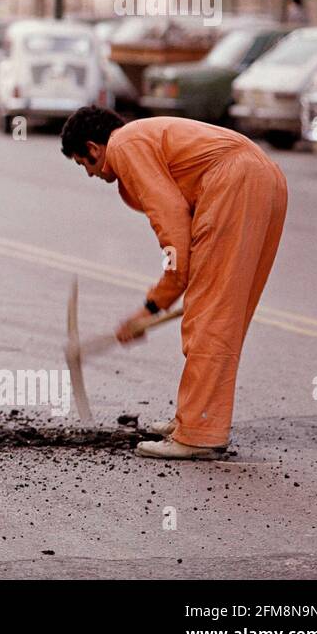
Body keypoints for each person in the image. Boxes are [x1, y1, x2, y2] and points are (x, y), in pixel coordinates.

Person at [60, 107, 287, 460]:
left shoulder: (124, 146)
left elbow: (173, 233)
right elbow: (185, 239)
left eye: (83, 163)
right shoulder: (143, 137)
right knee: (223, 313)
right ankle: (197, 419)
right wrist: (161, 301)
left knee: (209, 318)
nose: (90, 174)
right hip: (265, 178)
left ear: (94, 148)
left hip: (233, 182)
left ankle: (197, 435)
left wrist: (151, 306)